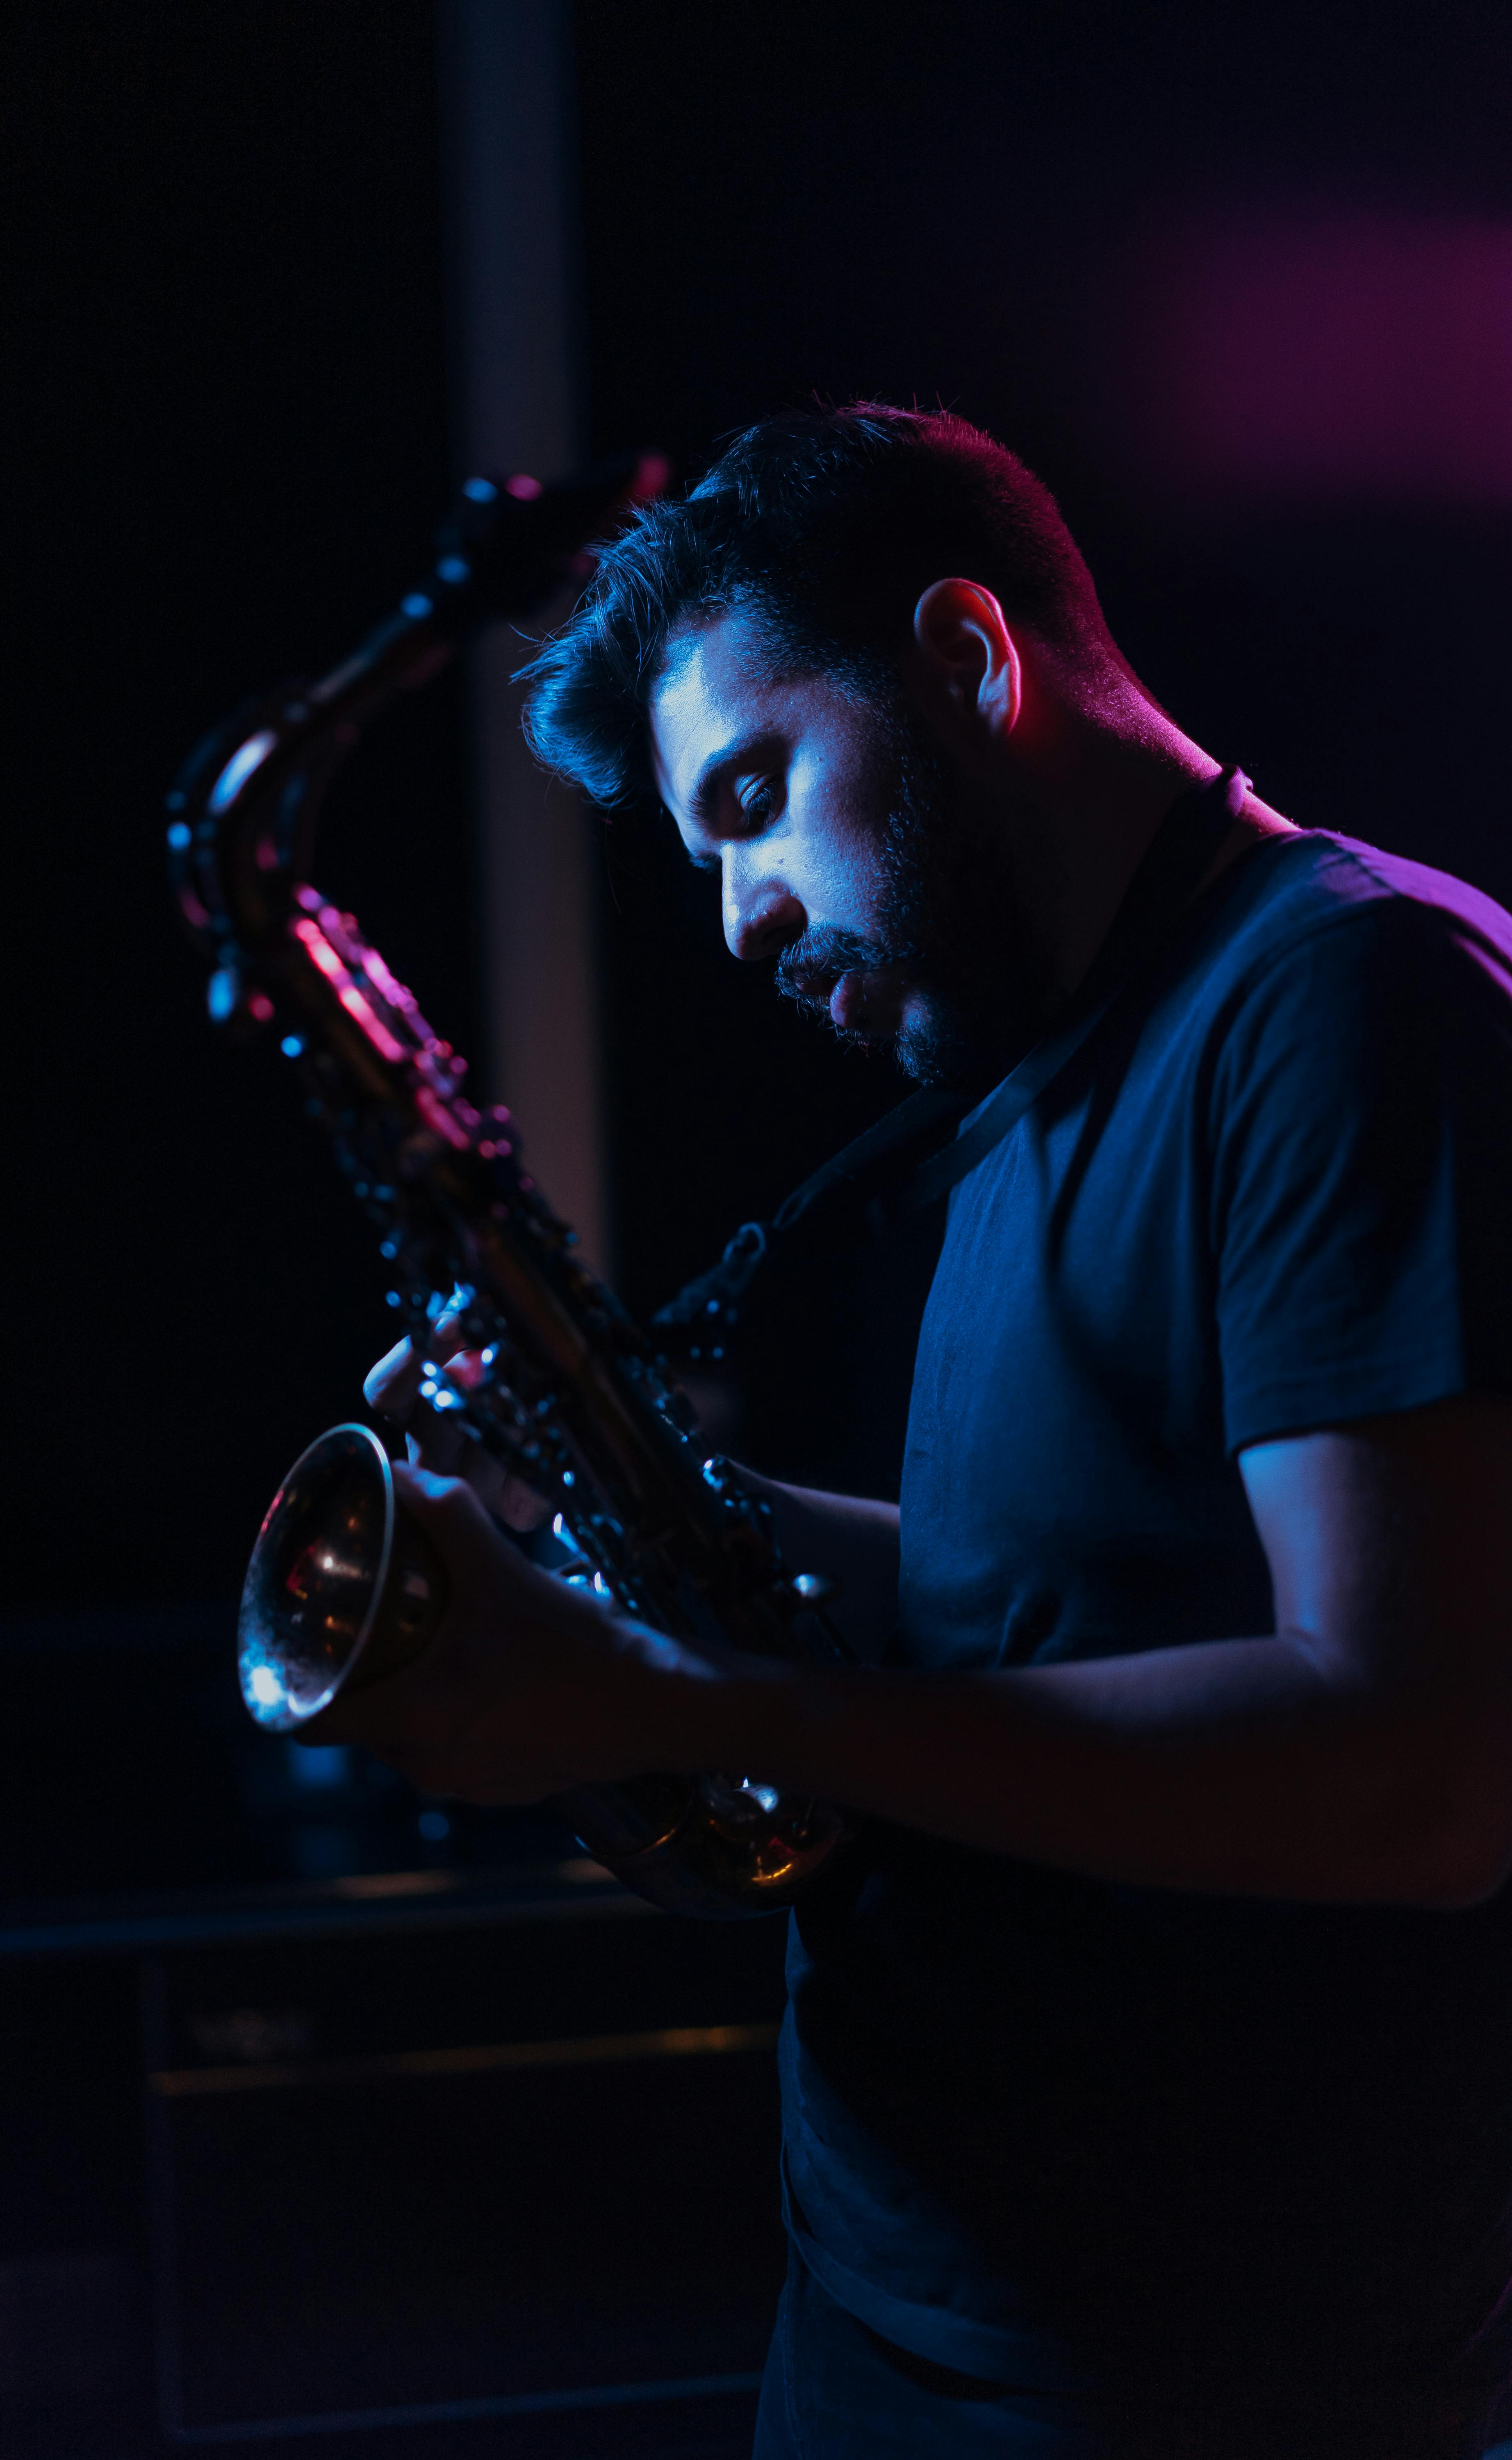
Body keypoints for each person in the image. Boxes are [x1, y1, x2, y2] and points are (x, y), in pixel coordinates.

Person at [325, 407, 1512, 2458]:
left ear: (967, 659)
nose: (737, 921)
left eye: (754, 796)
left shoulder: (1347, 999)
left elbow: (1410, 1770)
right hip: (897, 2306)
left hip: (1190, 2380)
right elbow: (1047, 1596)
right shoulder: (1034, 1050)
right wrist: (625, 1494)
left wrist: (664, 1698)